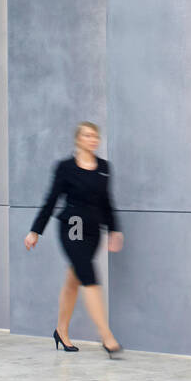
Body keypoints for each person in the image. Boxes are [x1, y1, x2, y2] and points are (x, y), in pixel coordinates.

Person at [24, 121, 124, 356]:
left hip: (92, 232)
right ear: (78, 139)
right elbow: (51, 200)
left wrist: (113, 230)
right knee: (88, 276)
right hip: (72, 228)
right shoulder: (66, 167)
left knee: (74, 280)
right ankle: (107, 337)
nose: (92, 139)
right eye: (87, 135)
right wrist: (35, 231)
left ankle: (61, 330)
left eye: (95, 136)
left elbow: (107, 202)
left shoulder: (104, 167)